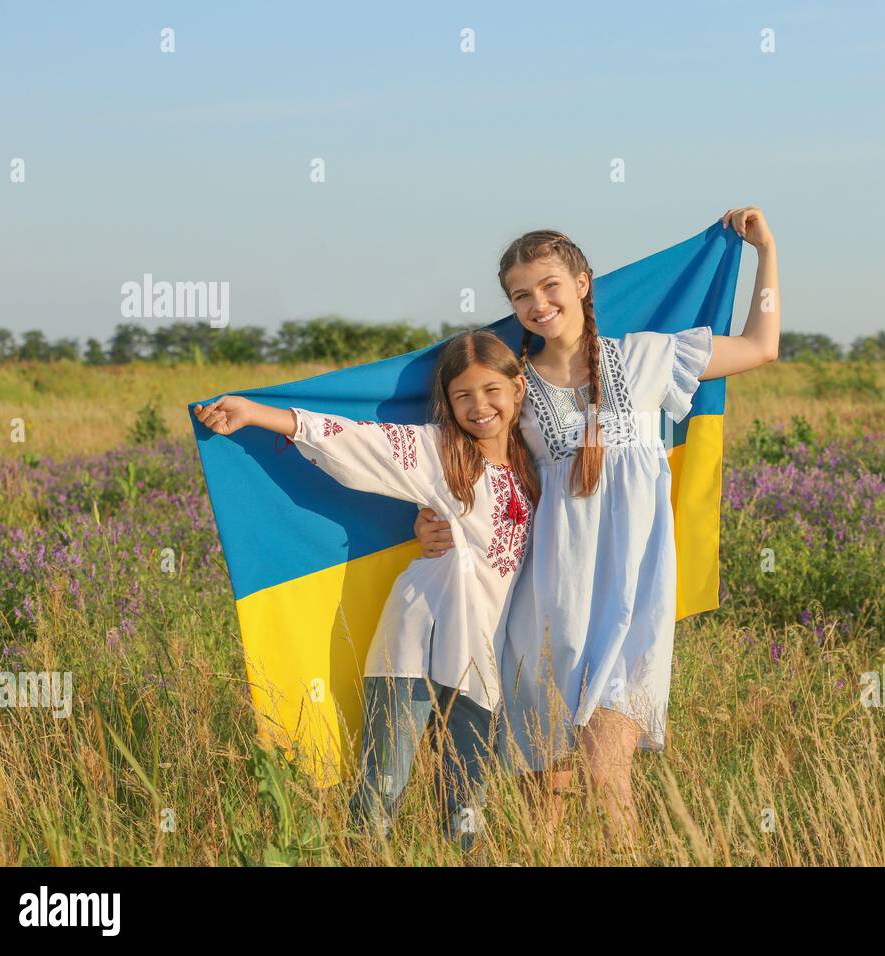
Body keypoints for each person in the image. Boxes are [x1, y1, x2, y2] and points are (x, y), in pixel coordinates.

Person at [415, 207, 781, 843]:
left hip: (631, 608)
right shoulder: (514, 387)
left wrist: (765, 251)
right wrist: (431, 522)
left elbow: (761, 346)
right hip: (546, 609)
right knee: (546, 804)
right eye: (520, 295)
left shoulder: (648, 359)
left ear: (582, 281)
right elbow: (476, 476)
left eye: (549, 285)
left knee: (609, 778)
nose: (537, 303)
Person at [194, 331, 538, 843]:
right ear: (446, 403)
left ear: (518, 388)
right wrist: (256, 413)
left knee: (469, 797)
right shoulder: (438, 450)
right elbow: (352, 439)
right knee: (383, 787)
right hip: (413, 646)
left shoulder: (538, 461)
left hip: (484, 654)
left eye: (492, 391)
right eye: (462, 395)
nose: (479, 406)